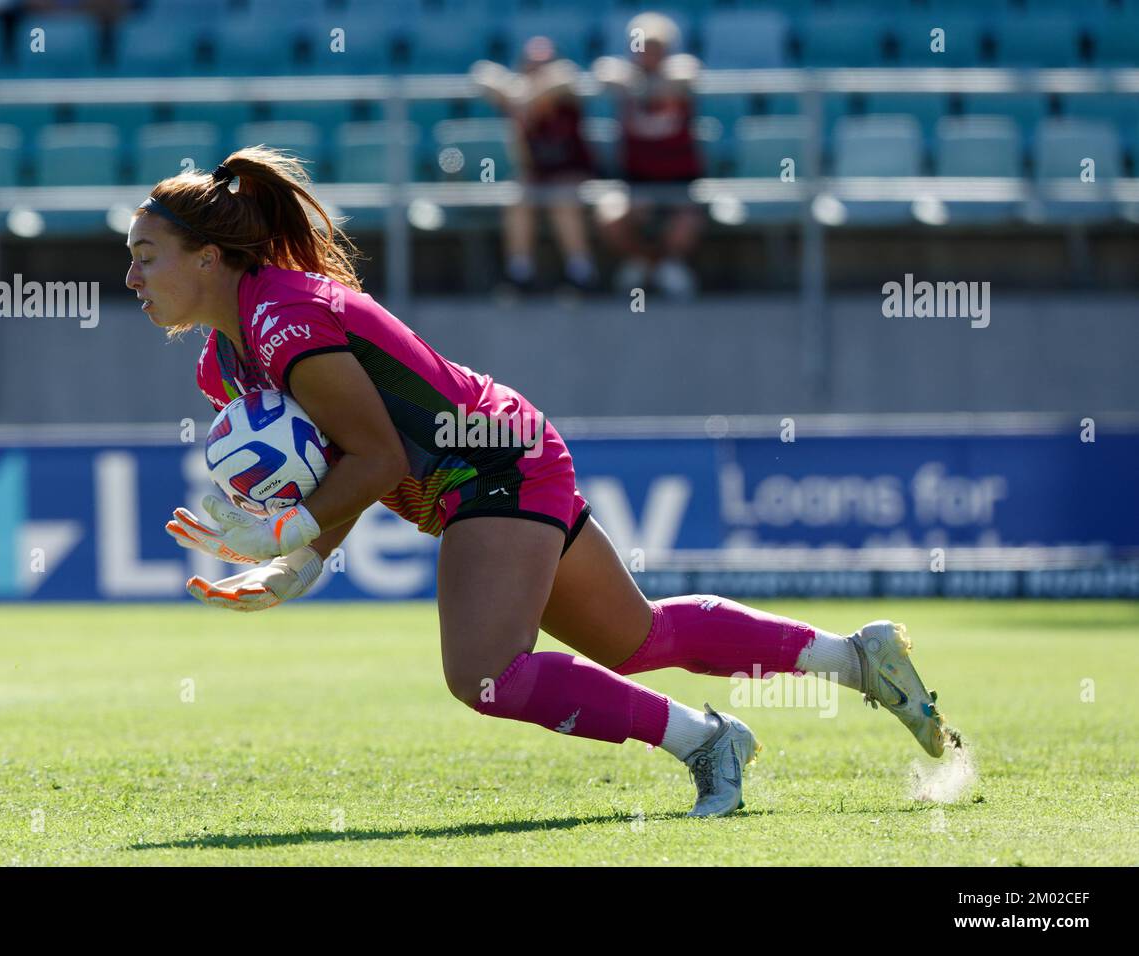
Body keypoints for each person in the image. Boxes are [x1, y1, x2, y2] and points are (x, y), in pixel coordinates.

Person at [126, 146, 952, 819]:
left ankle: (707, 742)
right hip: (496, 453)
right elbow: (351, 460)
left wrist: (281, 535)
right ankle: (855, 658)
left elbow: (377, 460)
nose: (131, 279)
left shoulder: (285, 317)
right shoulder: (225, 359)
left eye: (144, 256)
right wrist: (291, 567)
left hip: (491, 460)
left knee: (485, 673)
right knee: (638, 640)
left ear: (208, 256)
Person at [470, 37, 599, 295]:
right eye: (533, 65)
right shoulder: (517, 95)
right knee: (517, 199)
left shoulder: (565, 91)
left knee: (561, 197)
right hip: (536, 174)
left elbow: (566, 77)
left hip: (574, 173)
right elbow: (480, 74)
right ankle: (520, 275)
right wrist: (521, 95)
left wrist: (526, 96)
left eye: (545, 64)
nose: (539, 70)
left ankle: (582, 274)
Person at [593, 12, 705, 300]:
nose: (648, 53)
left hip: (681, 183)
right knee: (610, 214)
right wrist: (637, 81)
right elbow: (603, 71)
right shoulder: (625, 78)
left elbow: (688, 72)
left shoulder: (679, 74)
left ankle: (666, 266)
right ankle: (646, 263)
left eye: (656, 47)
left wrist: (652, 85)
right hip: (637, 182)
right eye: (642, 46)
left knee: (686, 224)